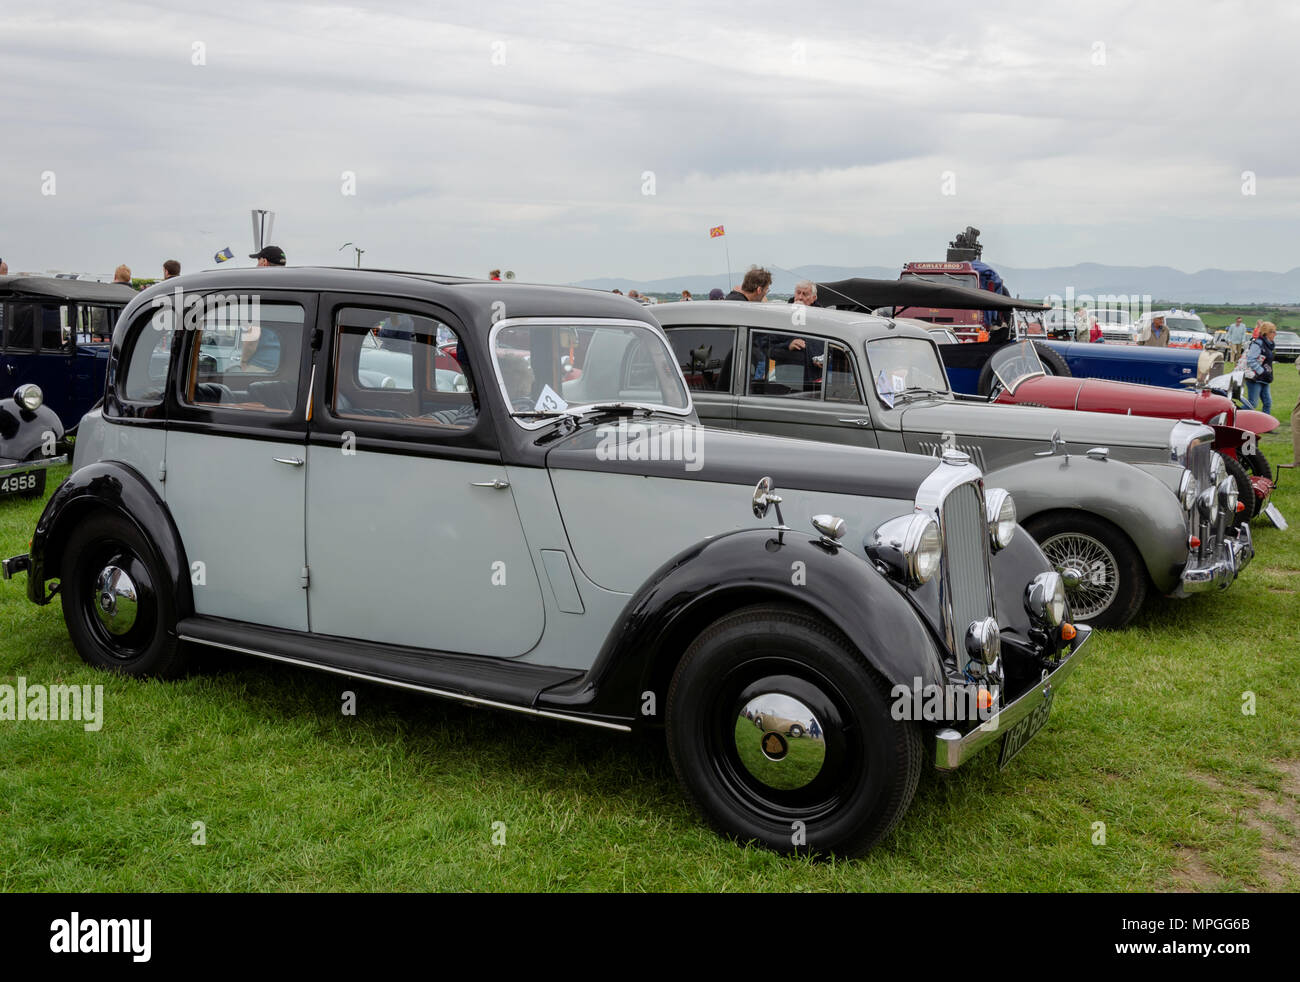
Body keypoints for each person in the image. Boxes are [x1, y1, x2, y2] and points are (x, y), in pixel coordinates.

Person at [1242, 321, 1277, 414]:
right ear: (1267, 333)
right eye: (1273, 332)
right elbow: (1250, 359)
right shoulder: (1258, 343)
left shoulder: (1269, 345)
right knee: (1252, 404)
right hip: (1255, 378)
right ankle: (1234, 415)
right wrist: (1262, 371)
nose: (1275, 334)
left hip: (1265, 378)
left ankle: (1266, 426)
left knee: (1268, 403)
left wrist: (1267, 374)